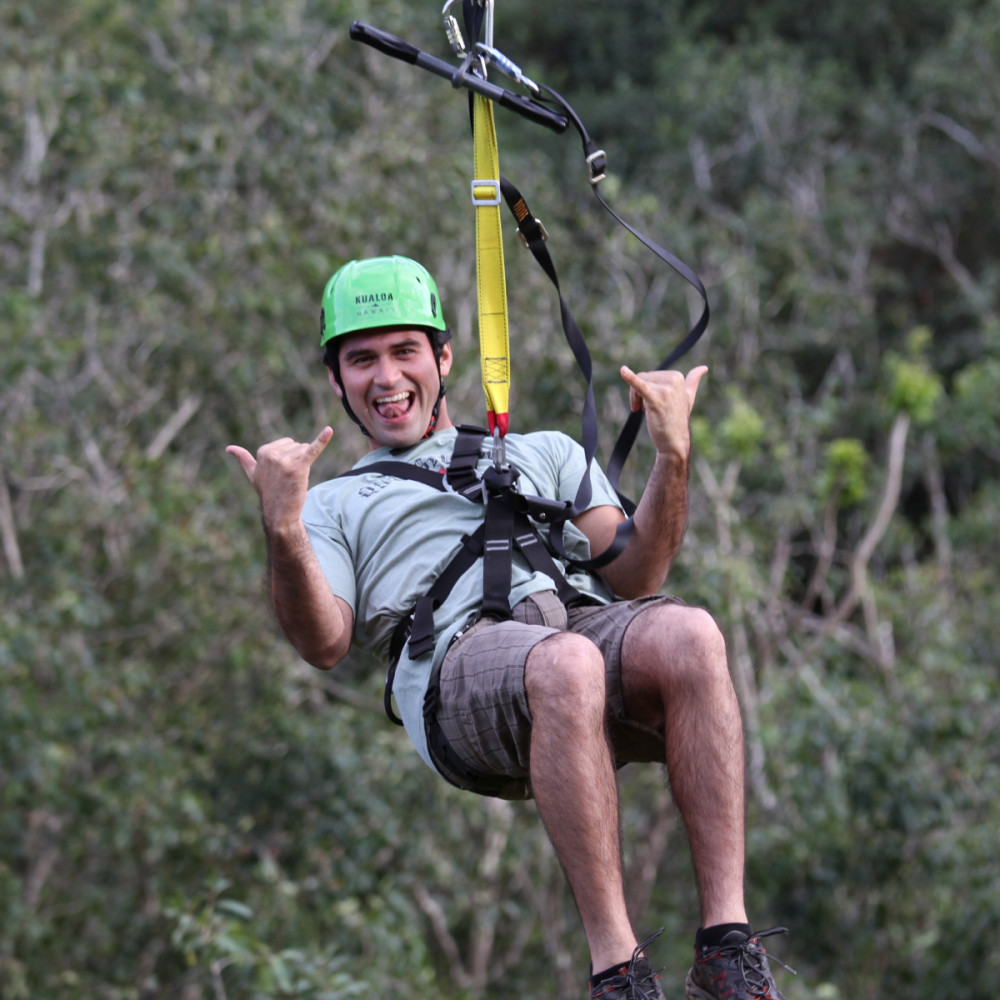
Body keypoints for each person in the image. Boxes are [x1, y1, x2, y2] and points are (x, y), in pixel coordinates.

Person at [227, 255, 791, 1000]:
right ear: (337, 381)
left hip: (575, 630)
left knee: (692, 634)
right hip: (457, 673)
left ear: (444, 358)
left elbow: (636, 575)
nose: (386, 377)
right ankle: (617, 972)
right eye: (362, 360)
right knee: (565, 666)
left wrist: (671, 458)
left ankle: (727, 949)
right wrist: (284, 528)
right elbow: (322, 641)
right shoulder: (332, 503)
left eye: (405, 352)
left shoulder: (543, 453)